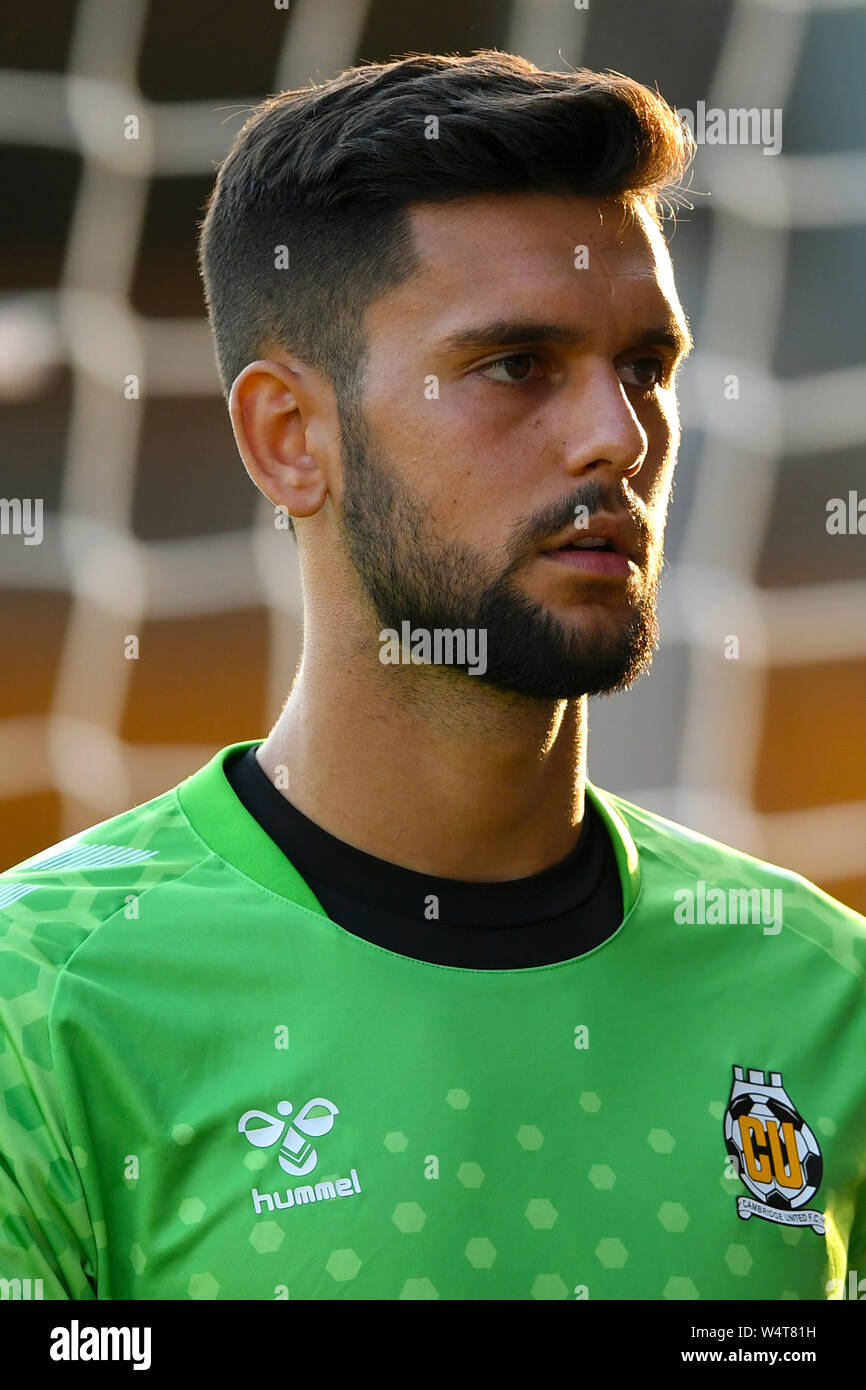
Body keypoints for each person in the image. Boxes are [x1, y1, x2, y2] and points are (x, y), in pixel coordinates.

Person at [1, 51, 863, 1303]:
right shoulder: (42, 1003)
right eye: (515, 364)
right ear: (290, 438)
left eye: (642, 368)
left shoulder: (824, 994)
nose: (616, 438)